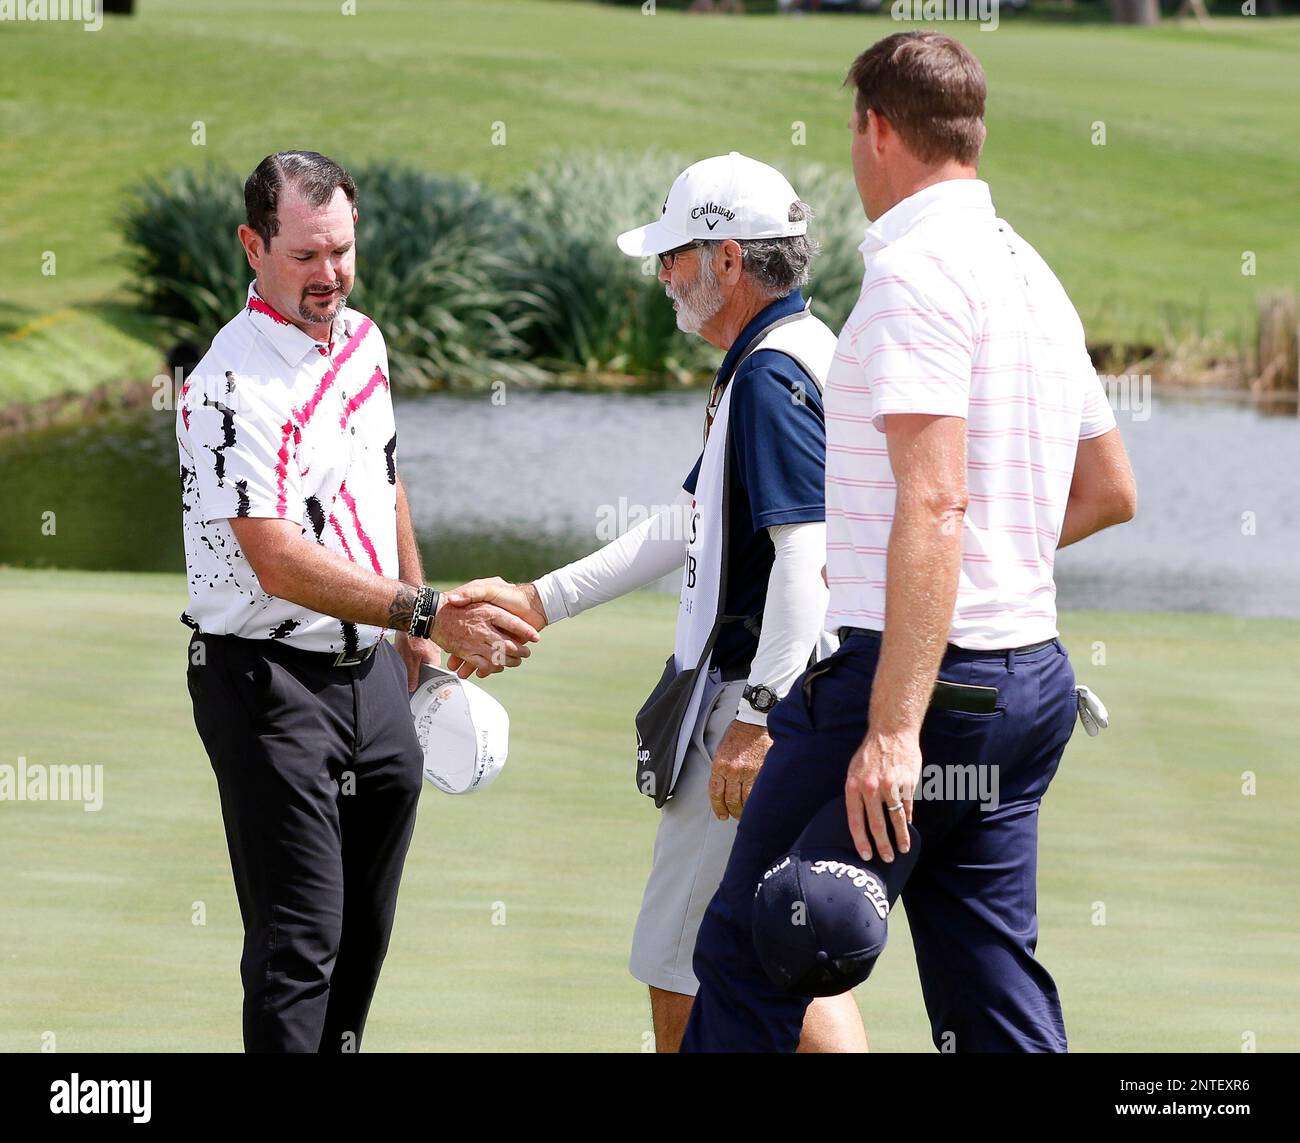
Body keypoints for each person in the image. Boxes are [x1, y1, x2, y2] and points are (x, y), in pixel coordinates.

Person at [681, 32, 1138, 1052]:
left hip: (912, 686)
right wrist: (993, 569)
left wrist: (893, 731)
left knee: (750, 952)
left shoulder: (912, 278)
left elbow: (932, 505)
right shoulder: (1030, 275)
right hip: (1024, 691)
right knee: (986, 990)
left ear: (874, 128)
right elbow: (1109, 491)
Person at [445, 153, 867, 1052]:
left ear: (725, 259)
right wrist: (539, 597)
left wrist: (755, 719)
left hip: (757, 705)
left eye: (672, 255)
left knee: (678, 960)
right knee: (787, 936)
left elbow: (805, 558)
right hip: (809, 701)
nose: (662, 275)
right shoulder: (793, 351)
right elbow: (688, 527)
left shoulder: (767, 379)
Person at [176, 150, 539, 1053]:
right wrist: (425, 612)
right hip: (267, 683)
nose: (329, 275)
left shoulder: (364, 341)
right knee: (300, 939)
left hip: (372, 670)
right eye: (305, 255)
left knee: (364, 934)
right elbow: (276, 560)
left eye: (341, 251)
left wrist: (414, 641)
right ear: (251, 247)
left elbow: (382, 481)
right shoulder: (229, 385)